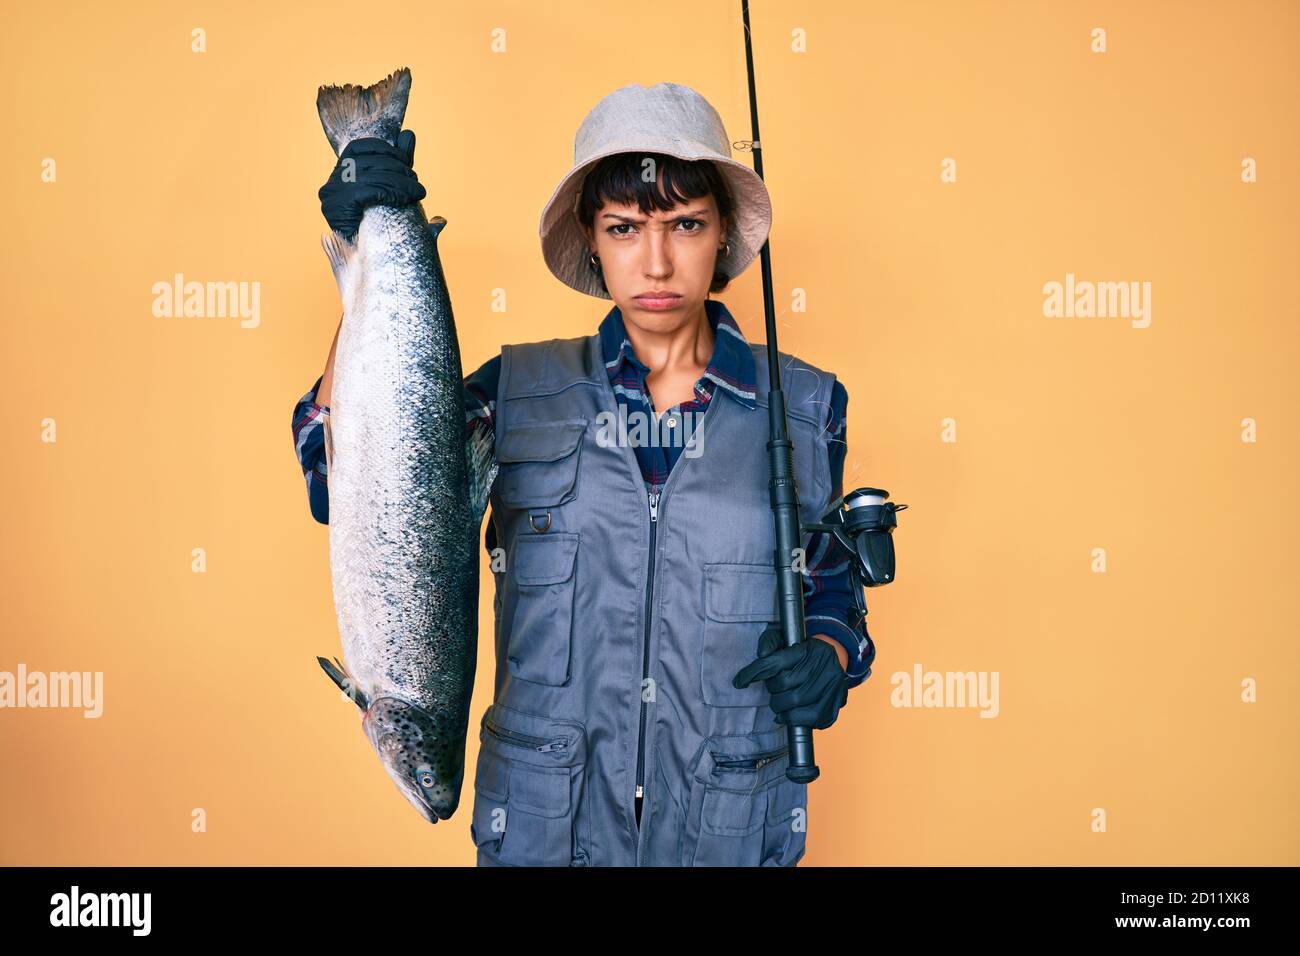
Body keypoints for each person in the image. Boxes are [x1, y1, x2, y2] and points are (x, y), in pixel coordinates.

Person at [292, 82, 877, 866]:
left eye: (687, 225)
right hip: (543, 831)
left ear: (725, 233)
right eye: (626, 228)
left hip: (732, 827)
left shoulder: (807, 408)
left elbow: (833, 589)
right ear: (592, 240)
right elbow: (338, 473)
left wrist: (831, 659)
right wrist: (370, 245)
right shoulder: (513, 393)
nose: (658, 260)